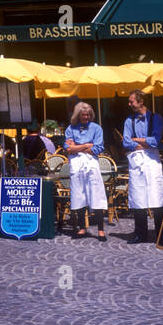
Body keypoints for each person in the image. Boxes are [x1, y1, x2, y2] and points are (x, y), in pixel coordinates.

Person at [122, 91, 163, 244]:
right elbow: (126, 142)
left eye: (131, 101)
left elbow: (156, 141)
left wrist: (136, 140)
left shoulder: (156, 118)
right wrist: (140, 143)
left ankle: (160, 233)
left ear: (141, 102)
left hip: (152, 161)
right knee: (138, 196)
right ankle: (141, 234)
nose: (129, 104)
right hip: (136, 161)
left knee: (156, 195)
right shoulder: (129, 120)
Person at [64, 101, 107, 241]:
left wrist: (77, 146)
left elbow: (98, 147)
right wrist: (86, 145)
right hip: (76, 164)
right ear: (78, 115)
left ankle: (100, 229)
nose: (87, 117)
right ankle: (82, 227)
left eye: (89, 115)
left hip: (91, 162)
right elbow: (68, 148)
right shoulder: (71, 128)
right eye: (84, 115)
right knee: (79, 194)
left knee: (96, 193)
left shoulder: (96, 128)